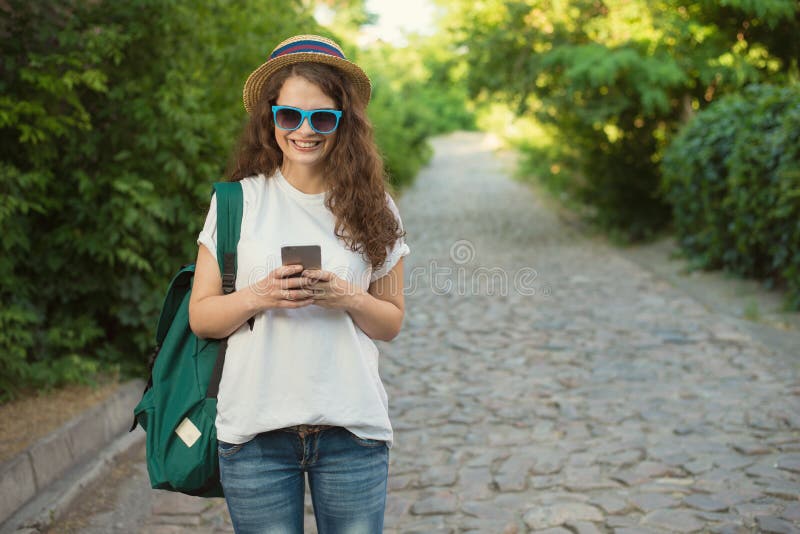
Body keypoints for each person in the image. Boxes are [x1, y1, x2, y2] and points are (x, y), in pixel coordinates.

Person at [188, 34, 410, 533]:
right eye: (290, 116)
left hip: (352, 430)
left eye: (322, 118)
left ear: (343, 123)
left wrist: (349, 296)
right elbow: (201, 317)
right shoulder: (235, 203)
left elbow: (391, 323)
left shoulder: (376, 208)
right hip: (255, 433)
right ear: (270, 118)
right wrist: (259, 295)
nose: (305, 131)